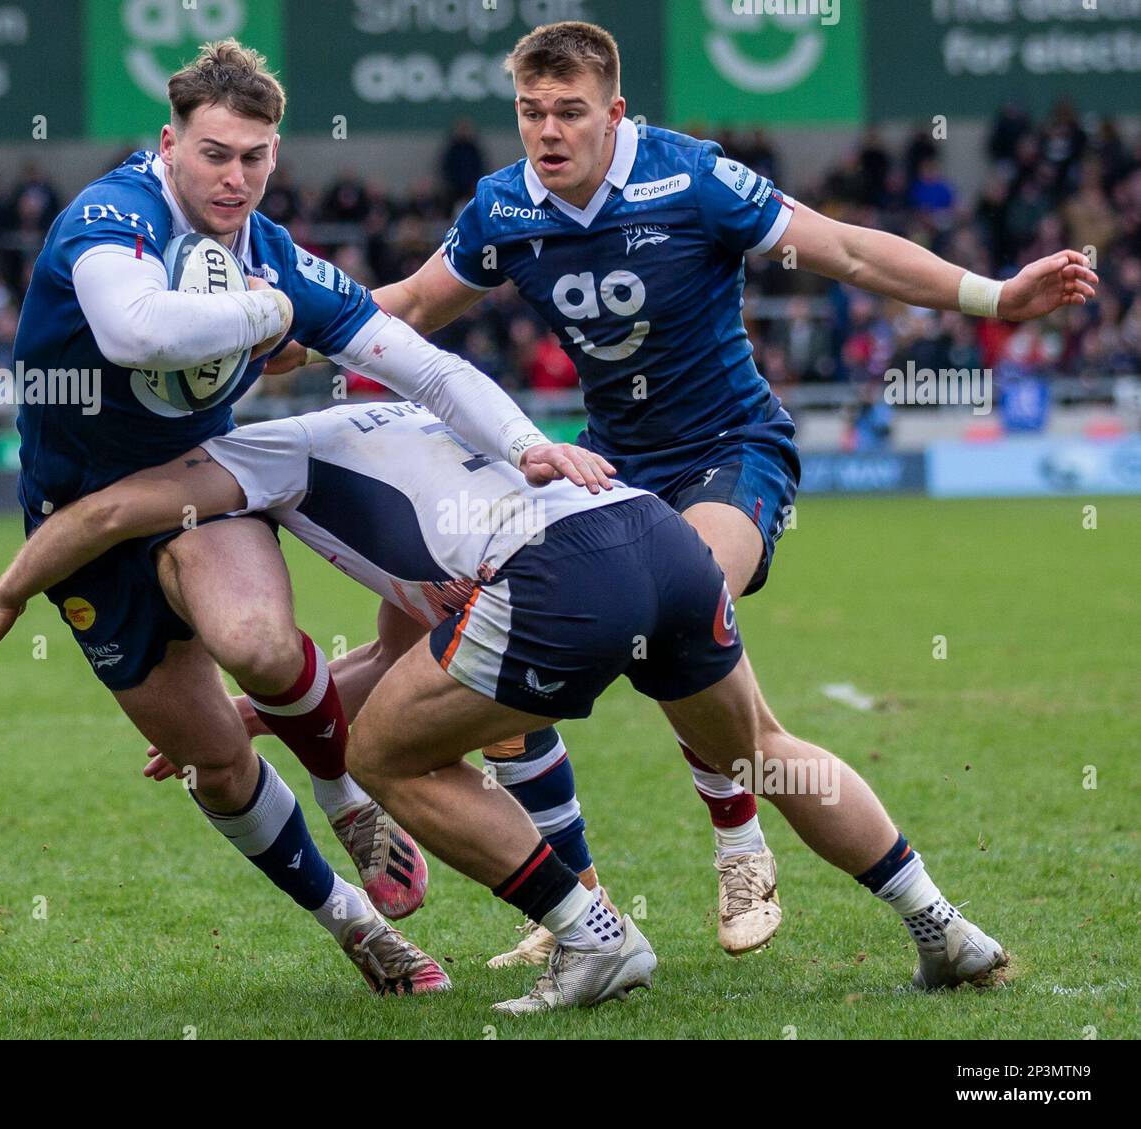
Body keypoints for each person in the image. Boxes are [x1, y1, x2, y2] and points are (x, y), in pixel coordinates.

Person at [271, 20, 1097, 963]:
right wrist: (316, 331)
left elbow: (849, 253)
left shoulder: (691, 177)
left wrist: (993, 296)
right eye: (531, 112)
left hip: (728, 449)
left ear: (616, 113)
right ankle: (577, 903)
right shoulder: (504, 209)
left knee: (688, 593)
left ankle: (738, 837)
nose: (548, 131)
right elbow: (413, 305)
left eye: (570, 112)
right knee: (512, 642)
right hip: (611, 469)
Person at [0, 400, 1009, 1014]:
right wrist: (252, 718)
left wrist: (10, 592)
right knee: (765, 748)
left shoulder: (254, 454)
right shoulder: (418, 419)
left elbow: (109, 510)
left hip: (555, 578)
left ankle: (591, 933)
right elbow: (406, 657)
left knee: (381, 760)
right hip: (651, 535)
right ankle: (942, 928)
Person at [0, 37, 613, 995]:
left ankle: (345, 795)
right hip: (80, 518)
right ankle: (352, 923)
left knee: (262, 643)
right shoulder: (109, 217)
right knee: (216, 762)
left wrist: (526, 442)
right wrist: (264, 311)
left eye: (255, 157)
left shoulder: (277, 258)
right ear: (170, 144)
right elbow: (133, 328)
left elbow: (423, 364)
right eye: (214, 154)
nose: (236, 178)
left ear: (277, 154)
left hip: (203, 484)